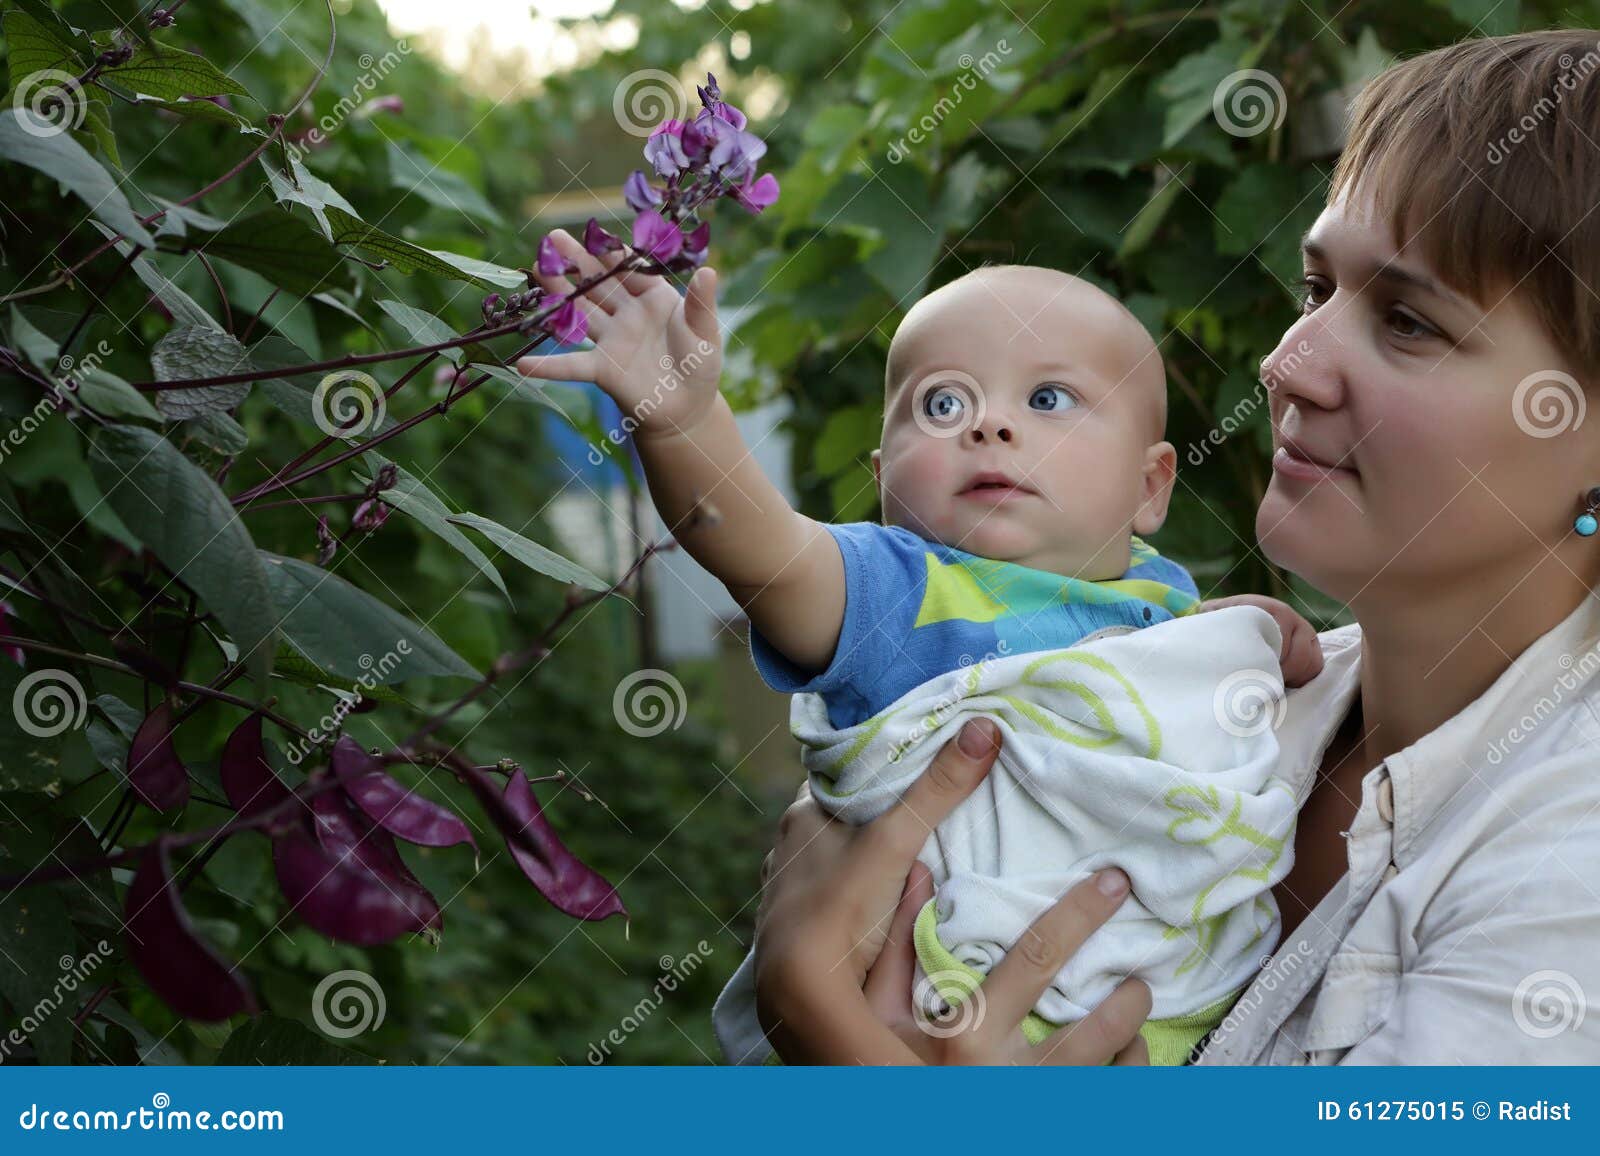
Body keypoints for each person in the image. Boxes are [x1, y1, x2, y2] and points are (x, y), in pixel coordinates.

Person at [748, 28, 1600, 1064]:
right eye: (1315, 289)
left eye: (1411, 322)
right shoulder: (1203, 687)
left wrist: (835, 1029)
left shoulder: (1570, 861)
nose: (1289, 363)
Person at [519, 238, 1329, 1063]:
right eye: (943, 405)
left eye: (1049, 397)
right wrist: (685, 420)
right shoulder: (902, 588)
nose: (991, 423)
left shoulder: (1165, 600)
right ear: (882, 476)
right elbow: (756, 548)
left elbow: (1174, 675)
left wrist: (1247, 631)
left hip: (1159, 1004)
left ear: (1150, 485)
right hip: (947, 998)